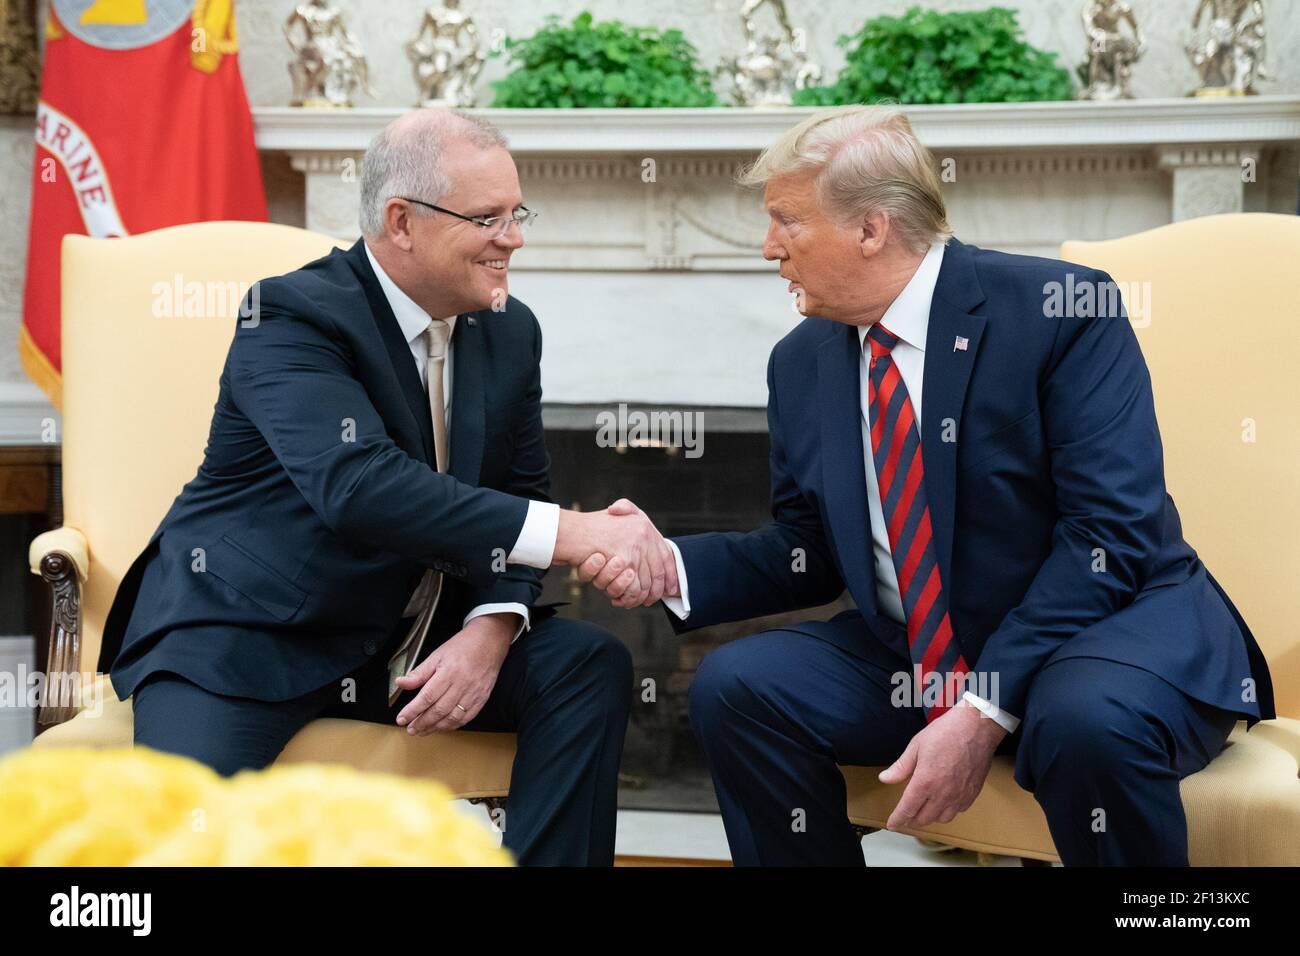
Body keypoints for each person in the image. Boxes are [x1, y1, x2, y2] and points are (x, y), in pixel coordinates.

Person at [582, 105, 1275, 866]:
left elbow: (1107, 537)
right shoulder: (801, 361)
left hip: (1106, 632)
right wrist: (669, 565)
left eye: (786, 220)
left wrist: (982, 708)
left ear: (871, 229)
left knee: (1087, 722)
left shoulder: (1064, 312)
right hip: (924, 651)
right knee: (740, 687)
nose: (767, 246)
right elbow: (806, 548)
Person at [99, 108, 675, 867]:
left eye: (518, 213)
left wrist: (491, 628)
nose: (515, 238)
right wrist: (581, 533)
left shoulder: (509, 329)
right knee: (175, 849)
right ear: (401, 222)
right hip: (248, 636)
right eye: (489, 217)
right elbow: (358, 484)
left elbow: (520, 490)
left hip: (412, 646)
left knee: (583, 665)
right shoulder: (291, 314)